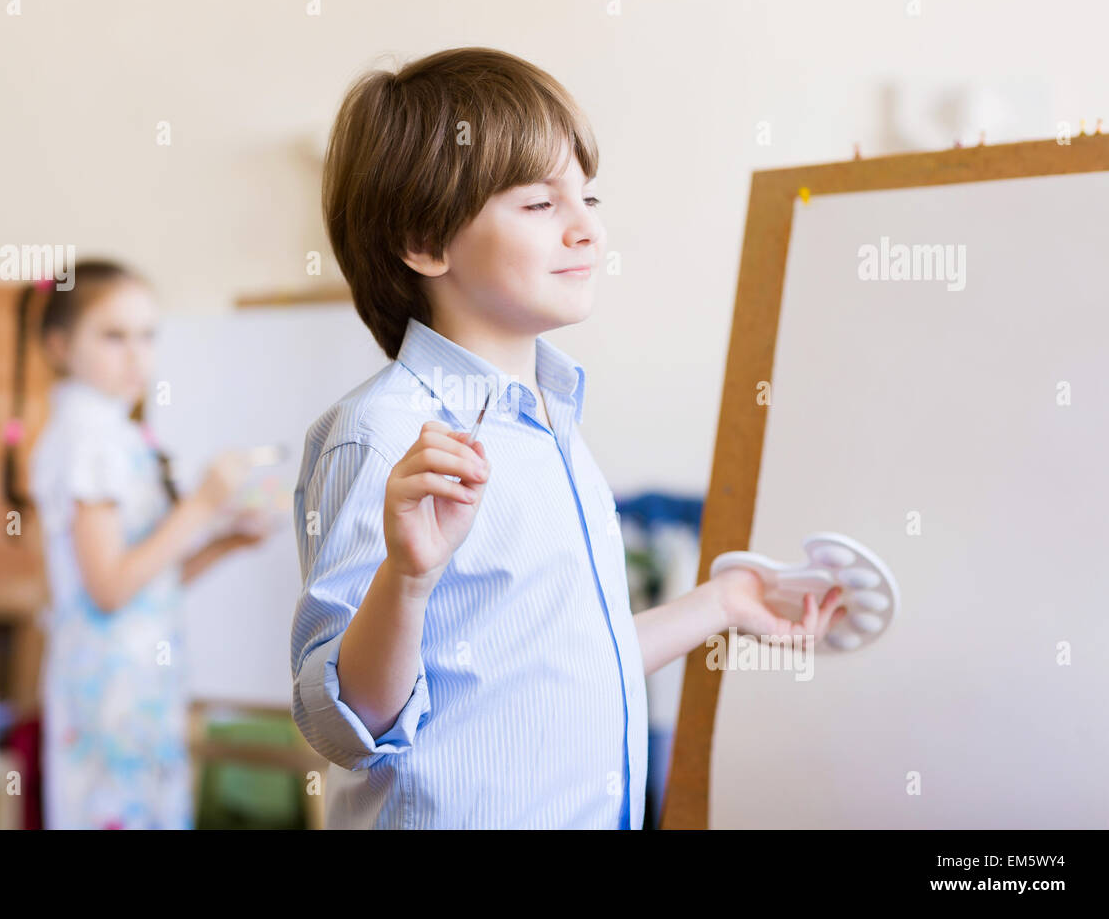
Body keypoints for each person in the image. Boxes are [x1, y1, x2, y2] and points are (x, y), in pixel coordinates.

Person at [291, 47, 845, 828]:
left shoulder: (549, 422)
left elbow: (562, 667)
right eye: (539, 205)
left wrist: (724, 601)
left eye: (588, 196)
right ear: (423, 239)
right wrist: (406, 581)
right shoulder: (382, 436)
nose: (587, 228)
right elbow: (340, 725)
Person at [3, 258, 275, 829]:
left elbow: (146, 579)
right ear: (58, 345)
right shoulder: (86, 440)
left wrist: (226, 540)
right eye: (113, 336)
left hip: (139, 685)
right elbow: (107, 588)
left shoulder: (116, 434)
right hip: (110, 691)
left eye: (147, 335)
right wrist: (201, 506)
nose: (137, 355)